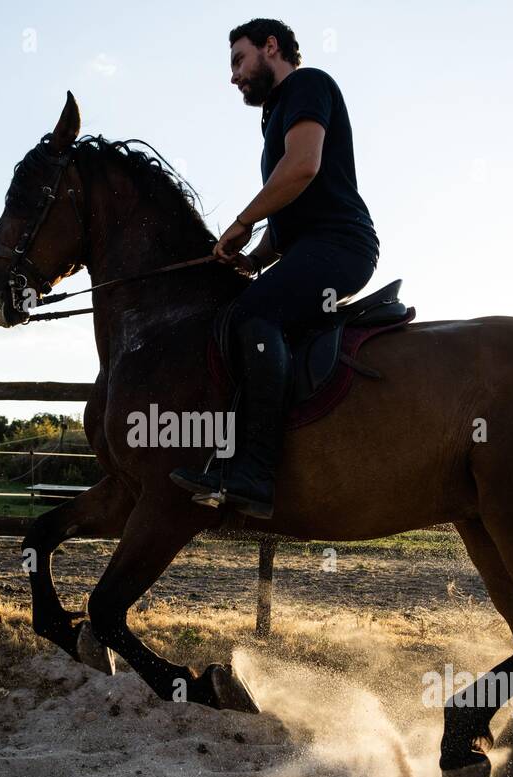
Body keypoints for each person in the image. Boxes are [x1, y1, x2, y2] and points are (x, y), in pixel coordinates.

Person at [169, 17, 381, 519]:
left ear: (271, 47)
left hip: (341, 246)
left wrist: (242, 221)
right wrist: (252, 259)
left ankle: (256, 474)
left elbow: (303, 168)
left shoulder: (308, 84)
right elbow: (286, 223)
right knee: (245, 306)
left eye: (239, 60)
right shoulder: (273, 118)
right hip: (310, 247)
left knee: (251, 316)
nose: (234, 76)